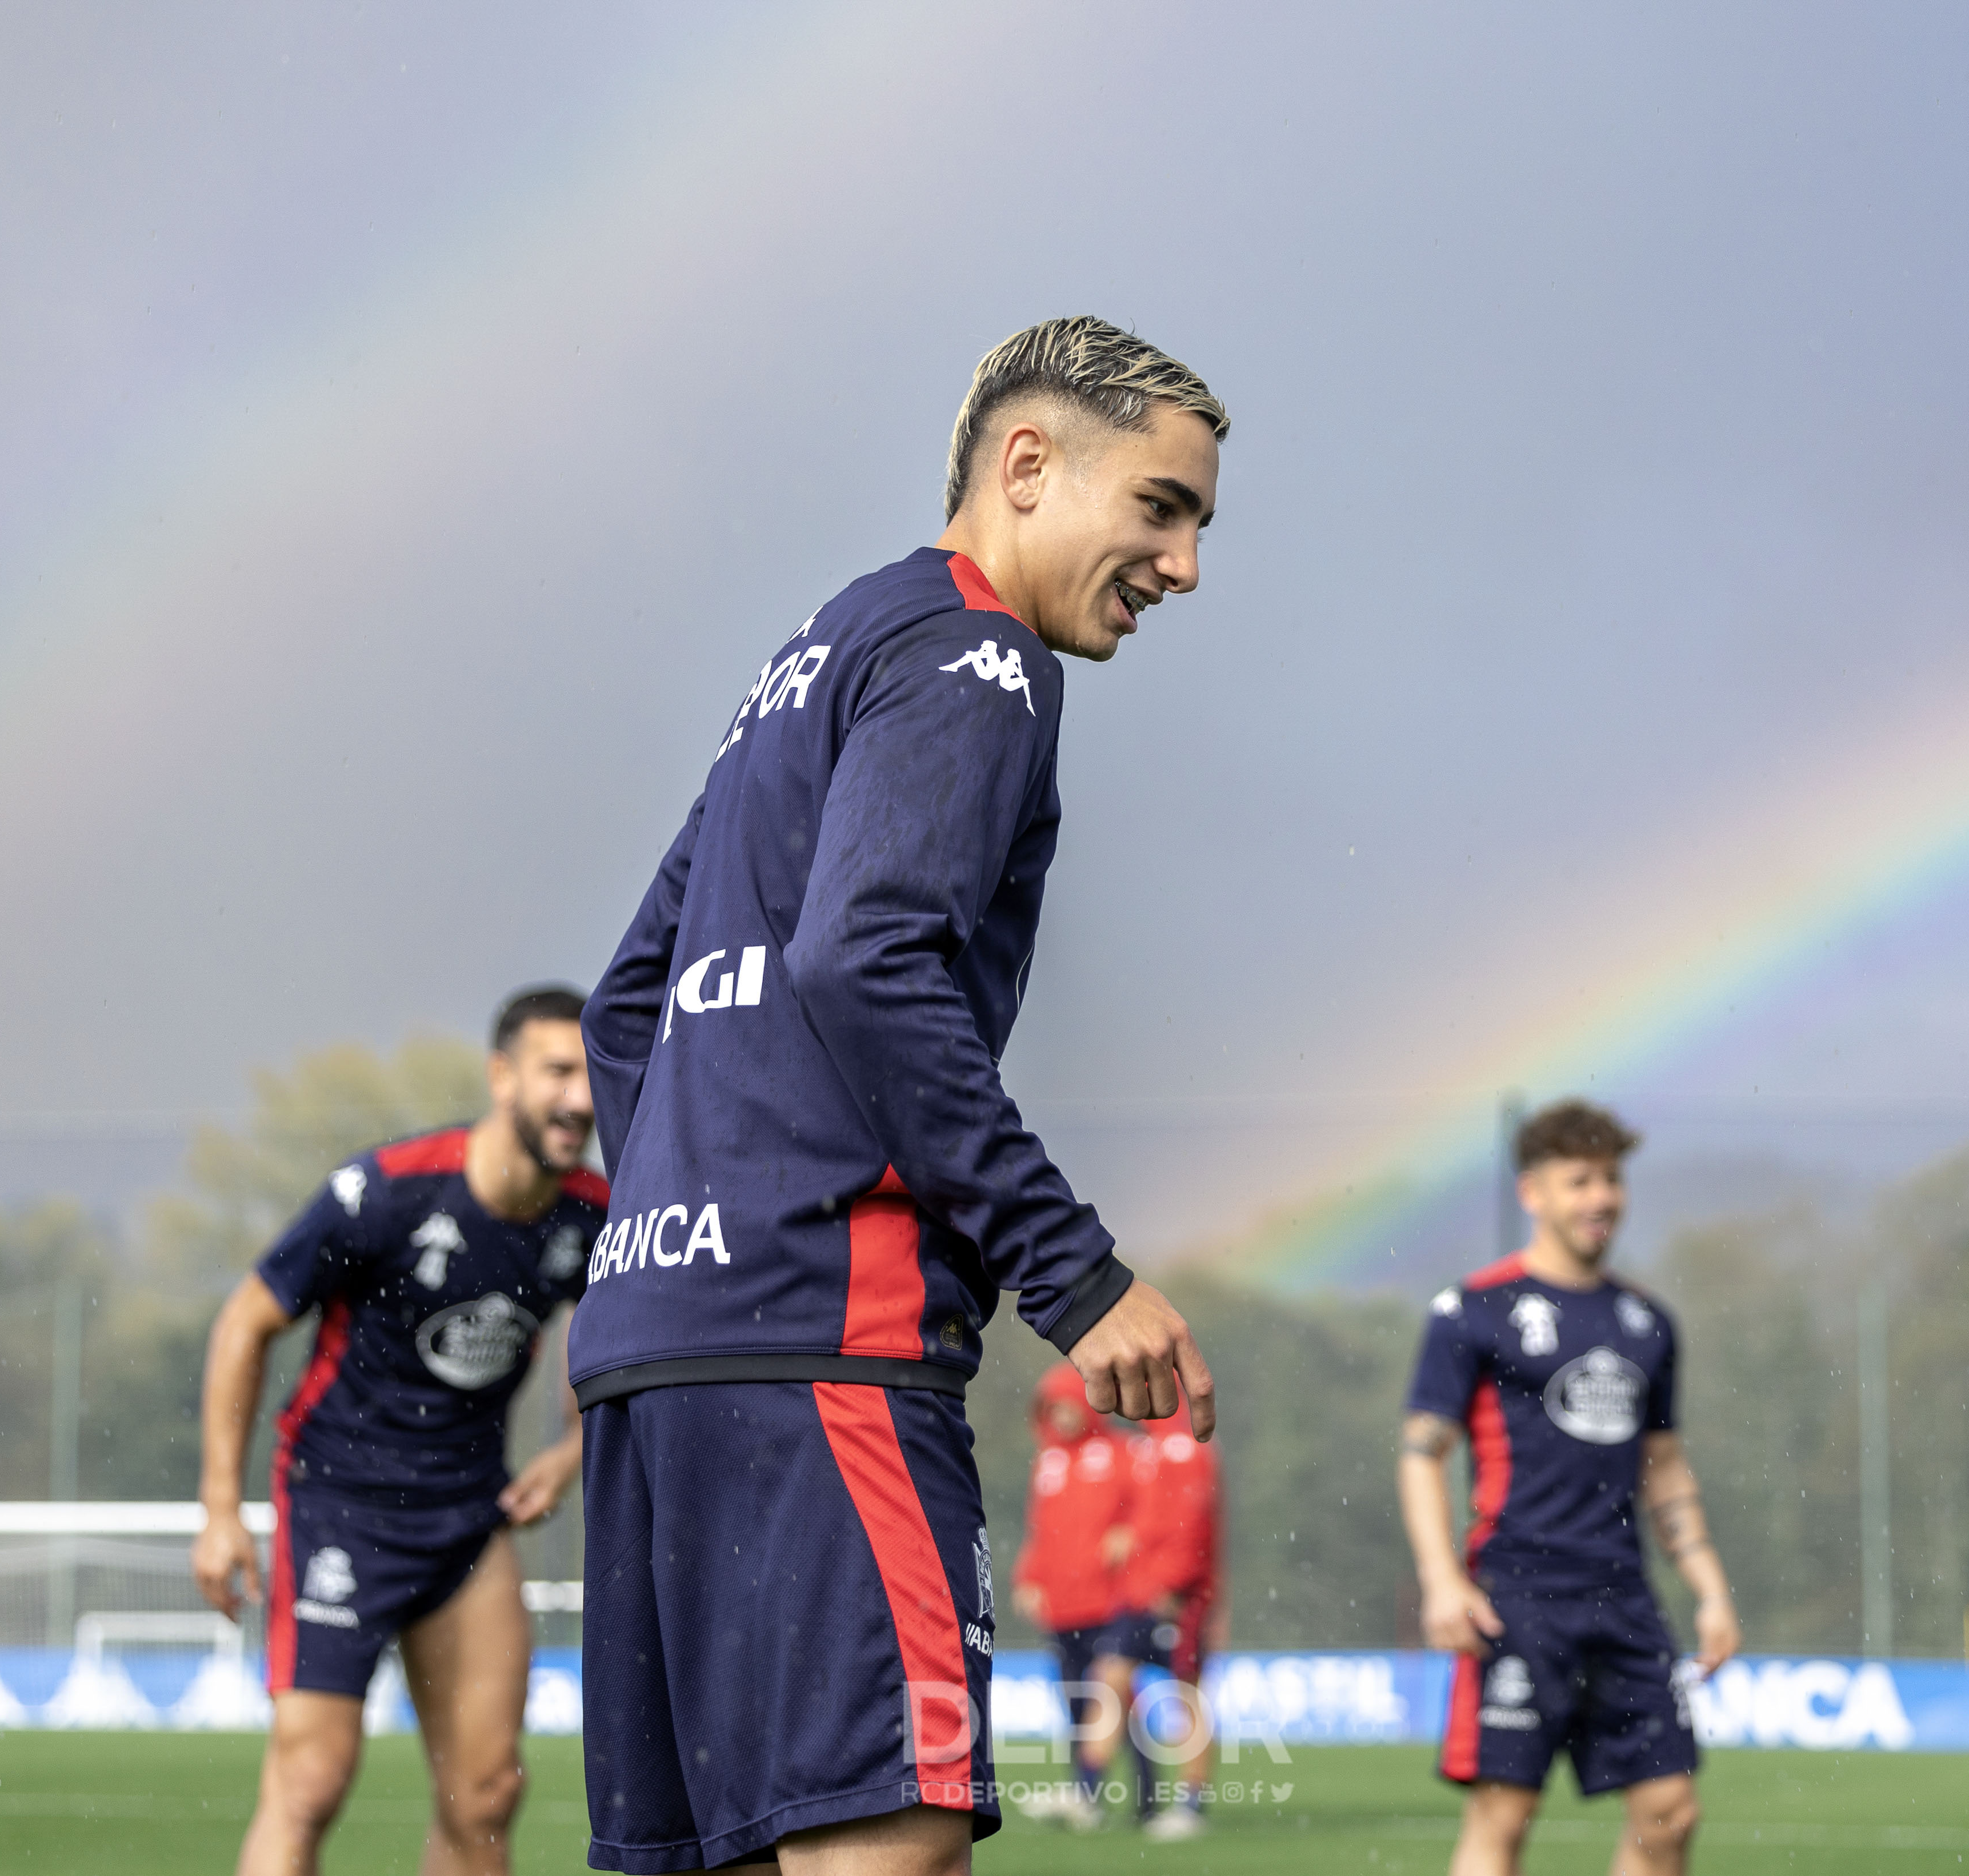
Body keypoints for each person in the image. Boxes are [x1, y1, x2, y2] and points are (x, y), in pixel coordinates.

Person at [574, 315, 1227, 1875]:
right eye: (1160, 507)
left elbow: (623, 1006)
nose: (1185, 565)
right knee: (887, 1838)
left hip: (651, 1357)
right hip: (825, 1355)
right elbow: (868, 957)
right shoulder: (974, 653)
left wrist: (689, 1219)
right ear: (1025, 465)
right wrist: (1071, 1272)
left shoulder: (818, 648)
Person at [193, 985, 607, 1876]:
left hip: (466, 1518)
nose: (579, 1098)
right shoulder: (387, 1191)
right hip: (340, 1506)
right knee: (310, 1781)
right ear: (501, 1076)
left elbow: (616, 1341)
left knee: (488, 1794)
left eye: (592, 1073)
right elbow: (244, 1324)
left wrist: (575, 1450)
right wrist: (220, 1507)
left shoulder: (592, 1216)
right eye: (557, 1072)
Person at [1399, 1100, 1740, 1876]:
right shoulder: (1471, 1312)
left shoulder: (1646, 1322)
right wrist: (1440, 1580)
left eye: (1611, 1180)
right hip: (1516, 1593)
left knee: (1669, 1812)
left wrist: (1710, 1588)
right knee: (1505, 1816)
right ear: (1533, 1194)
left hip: (1622, 1597)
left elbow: (1664, 1464)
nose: (1600, 1198)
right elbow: (1422, 1453)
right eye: (1578, 1180)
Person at [1008, 1365, 1135, 1833]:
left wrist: (1129, 1535)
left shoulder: (1121, 1451)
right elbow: (1038, 1530)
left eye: (1066, 1406)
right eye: (1052, 1409)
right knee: (1078, 1707)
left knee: (1116, 1701)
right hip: (1063, 1607)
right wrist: (1029, 1578)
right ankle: (1086, 1798)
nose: (1060, 1417)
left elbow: (1148, 1510)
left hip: (1109, 1603)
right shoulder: (1048, 1463)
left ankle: (1142, 1799)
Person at [1119, 1398, 1223, 1842]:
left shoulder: (1183, 1447)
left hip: (1176, 1597)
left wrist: (1173, 1584)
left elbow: (1192, 1523)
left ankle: (1191, 1805)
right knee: (1113, 1676)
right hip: (1143, 1591)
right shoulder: (1151, 1447)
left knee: (1186, 1696)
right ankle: (1106, 1792)